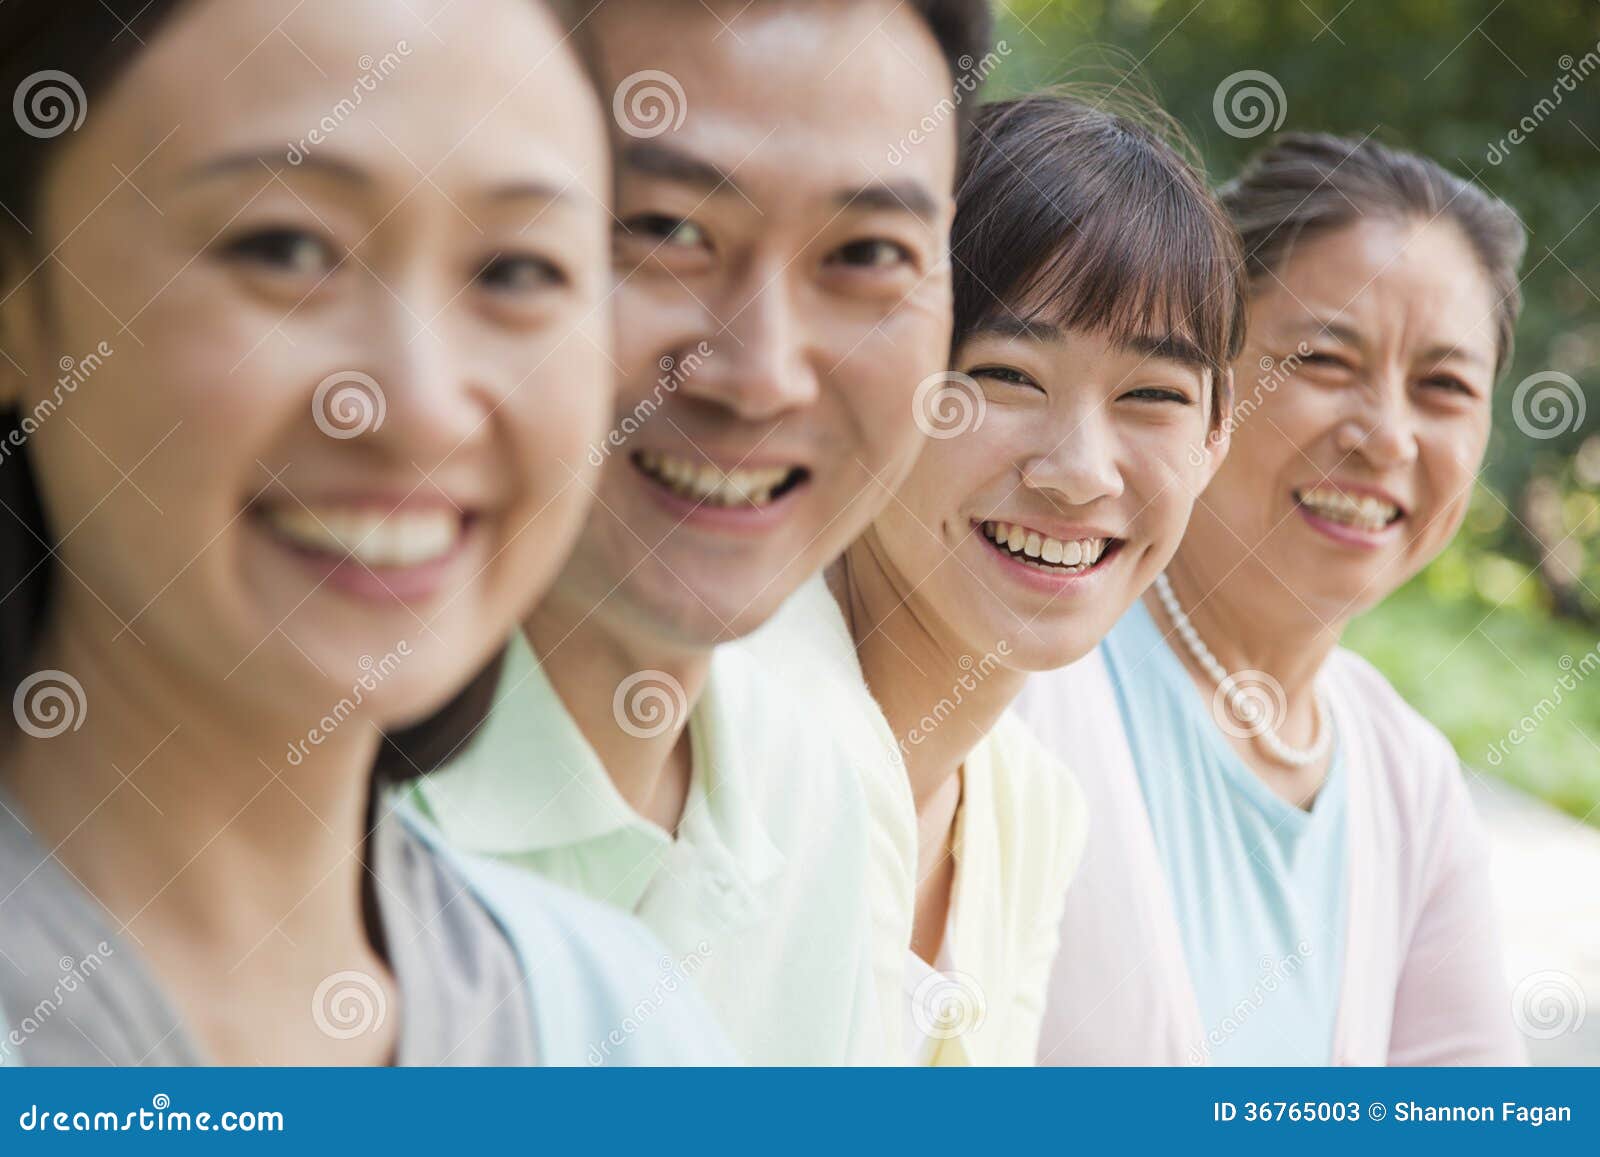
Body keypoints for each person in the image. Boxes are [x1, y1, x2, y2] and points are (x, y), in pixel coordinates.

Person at [0, 0, 726, 1066]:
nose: (419, 405)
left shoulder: (625, 1031)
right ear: (21, 307)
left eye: (518, 271)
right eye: (286, 247)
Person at [407, 0, 994, 1064]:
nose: (760, 372)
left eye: (867, 251)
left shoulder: (816, 780)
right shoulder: (275, 808)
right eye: (665, 231)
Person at [739, 90, 1245, 1063]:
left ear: (1216, 439)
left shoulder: (1027, 810)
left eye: (1152, 396)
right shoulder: (732, 725)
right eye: (1008, 375)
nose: (1080, 471)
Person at [1023, 133, 1529, 1066]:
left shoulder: (1406, 775)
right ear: (1205, 380)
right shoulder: (1029, 663)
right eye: (1327, 361)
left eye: (1445, 386)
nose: (1387, 438)